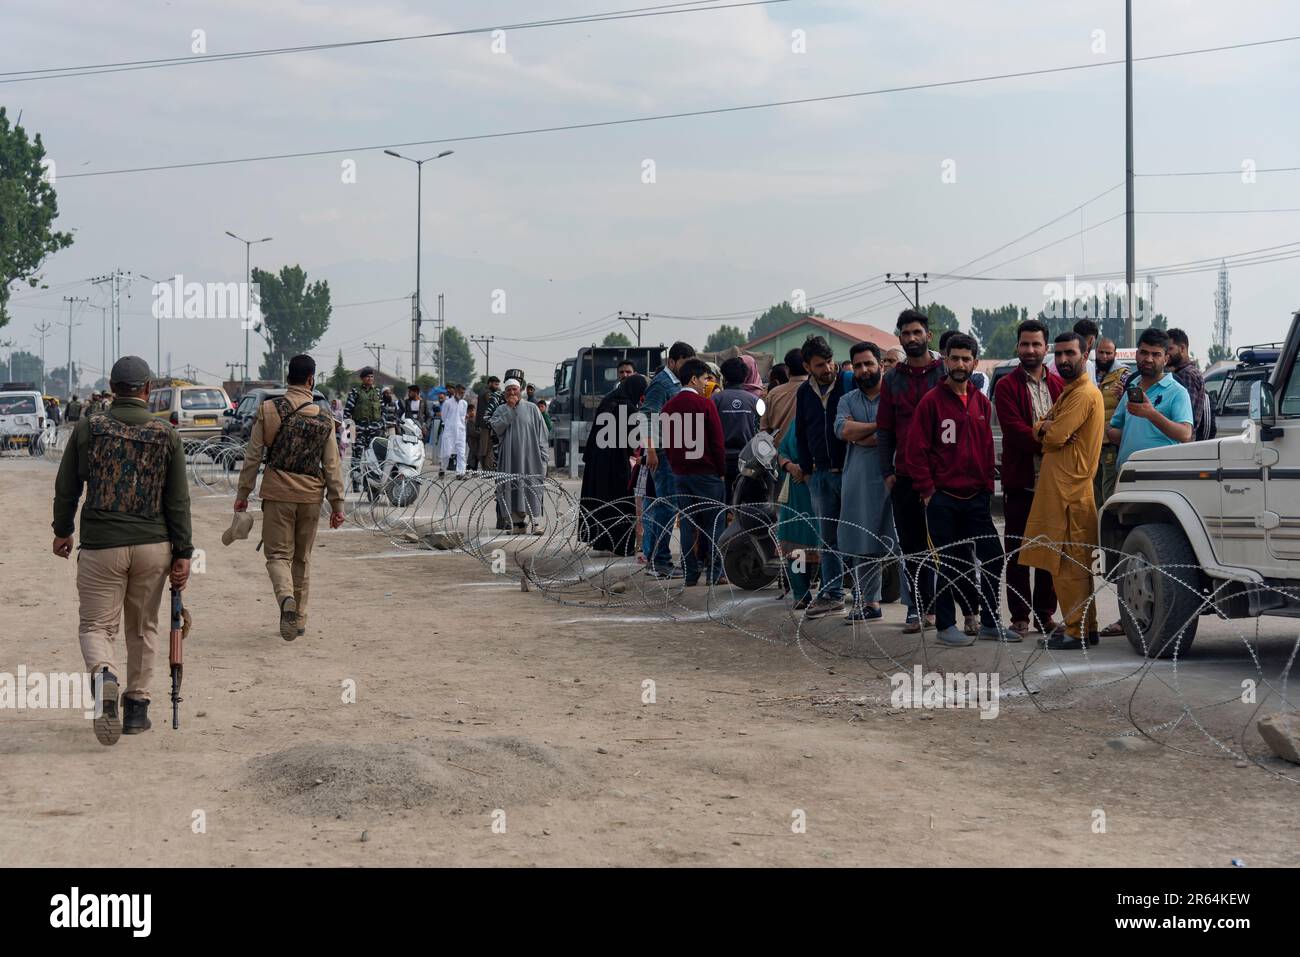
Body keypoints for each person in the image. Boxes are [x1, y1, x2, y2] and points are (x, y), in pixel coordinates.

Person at [51, 356, 193, 744]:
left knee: (97, 626)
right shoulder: (167, 433)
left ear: (112, 389)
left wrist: (62, 532)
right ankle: (136, 710)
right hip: (154, 546)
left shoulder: (88, 428)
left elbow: (67, 488)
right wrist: (184, 551)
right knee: (144, 627)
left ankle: (104, 675)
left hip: (101, 547)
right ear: (147, 390)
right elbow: (178, 500)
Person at [902, 333, 1015, 646]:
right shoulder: (932, 403)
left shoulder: (980, 402)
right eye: (955, 358)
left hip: (975, 499)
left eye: (967, 359)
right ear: (945, 361)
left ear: (975, 363)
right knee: (947, 563)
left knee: (992, 555)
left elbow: (986, 449)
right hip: (942, 499)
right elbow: (915, 452)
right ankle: (945, 626)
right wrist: (928, 492)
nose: (960, 364)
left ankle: (991, 621)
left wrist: (986, 488)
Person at [235, 355, 346, 641]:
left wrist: (243, 494)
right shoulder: (325, 418)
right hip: (311, 497)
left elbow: (253, 456)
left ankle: (285, 598)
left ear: (289, 378)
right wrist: (337, 505)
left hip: (277, 493)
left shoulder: (268, 409)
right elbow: (332, 465)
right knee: (302, 559)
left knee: (277, 555)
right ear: (311, 379)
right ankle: (299, 620)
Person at [1100, 328, 1194, 638]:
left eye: (1156, 354)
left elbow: (1184, 434)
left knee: (1159, 556)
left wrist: (1151, 414)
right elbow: (1115, 432)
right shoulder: (1131, 390)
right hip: (1129, 479)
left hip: (1162, 483)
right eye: (1144, 352)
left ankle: (1158, 621)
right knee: (1128, 553)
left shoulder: (1176, 392)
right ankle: (1126, 617)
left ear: (1167, 357)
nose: (1148, 359)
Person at [1020, 332, 1106, 650]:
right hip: (1065, 491)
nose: (1063, 360)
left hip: (1070, 493)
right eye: (1058, 355)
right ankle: (1086, 627)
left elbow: (1053, 436)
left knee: (1069, 567)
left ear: (1086, 355)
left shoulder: (1084, 394)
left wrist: (1046, 429)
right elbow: (1041, 425)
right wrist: (1045, 427)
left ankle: (1076, 630)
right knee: (1075, 567)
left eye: (1070, 353)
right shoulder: (1070, 392)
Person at [993, 318, 1064, 636]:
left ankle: (1045, 615)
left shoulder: (1060, 386)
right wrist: (1050, 434)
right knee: (1018, 552)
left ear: (1045, 348)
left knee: (1049, 551)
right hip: (1020, 481)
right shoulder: (1006, 386)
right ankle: (1020, 615)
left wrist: (1053, 433)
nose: (1030, 349)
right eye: (1025, 344)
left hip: (1051, 483)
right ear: (1017, 347)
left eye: (1036, 344)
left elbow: (1067, 430)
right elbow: (1016, 433)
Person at [877, 309, 944, 634]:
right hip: (904, 476)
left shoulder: (945, 371)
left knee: (947, 546)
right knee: (913, 548)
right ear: (900, 337)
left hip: (944, 475)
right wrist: (887, 472)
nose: (912, 338)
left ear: (928, 335)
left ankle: (952, 612)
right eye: (906, 334)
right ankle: (920, 609)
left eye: (917, 332)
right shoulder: (892, 379)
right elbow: (885, 429)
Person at [835, 341, 911, 622]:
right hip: (859, 480)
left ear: (880, 365)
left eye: (869, 363)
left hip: (894, 477)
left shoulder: (895, 397)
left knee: (903, 544)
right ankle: (870, 604)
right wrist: (881, 426)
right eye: (858, 365)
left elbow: (897, 433)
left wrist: (863, 433)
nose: (864, 369)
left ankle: (915, 608)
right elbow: (843, 430)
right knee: (862, 544)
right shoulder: (847, 400)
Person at [661, 358, 727, 586]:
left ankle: (690, 573)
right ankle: (714, 573)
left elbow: (667, 443)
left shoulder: (668, 407)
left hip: (681, 474)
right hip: (707, 473)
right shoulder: (705, 405)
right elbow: (717, 443)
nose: (706, 383)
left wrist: (675, 466)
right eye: (704, 379)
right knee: (714, 523)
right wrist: (721, 471)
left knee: (688, 524)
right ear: (693, 379)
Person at [794, 335, 847, 619]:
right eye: (819, 365)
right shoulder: (804, 393)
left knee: (855, 534)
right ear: (807, 366)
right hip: (820, 475)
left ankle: (864, 595)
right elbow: (802, 432)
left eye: (829, 362)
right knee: (828, 538)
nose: (827, 368)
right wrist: (806, 468)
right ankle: (833, 593)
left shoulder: (848, 382)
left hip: (848, 472)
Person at [642, 341, 696, 579]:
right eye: (684, 363)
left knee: (668, 505)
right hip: (663, 453)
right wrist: (651, 450)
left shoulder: (676, 383)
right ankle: (659, 560)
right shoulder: (662, 383)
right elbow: (647, 416)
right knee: (667, 505)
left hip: (674, 451)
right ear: (672, 361)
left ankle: (657, 559)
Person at [580, 374, 648, 555]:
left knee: (601, 501)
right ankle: (621, 545)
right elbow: (634, 442)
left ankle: (602, 541)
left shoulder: (607, 402)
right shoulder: (629, 408)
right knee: (621, 502)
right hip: (617, 462)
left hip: (597, 462)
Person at [490, 378, 551, 534]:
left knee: (532, 487)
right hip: (510, 459)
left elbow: (543, 435)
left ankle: (536, 522)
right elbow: (497, 428)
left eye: (514, 390)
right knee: (511, 488)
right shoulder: (500, 410)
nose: (512, 393)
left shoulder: (532, 409)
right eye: (509, 390)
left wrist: (544, 459)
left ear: (520, 391)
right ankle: (517, 524)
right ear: (504, 393)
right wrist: (510, 410)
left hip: (531, 458)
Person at [713, 357, 761, 496]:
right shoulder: (755, 401)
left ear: (724, 376)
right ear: (745, 376)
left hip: (721, 462)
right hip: (748, 461)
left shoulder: (715, 400)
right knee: (745, 505)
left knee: (722, 504)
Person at [1093, 337, 1130, 504]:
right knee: (1093, 492)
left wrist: (1123, 395)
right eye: (1101, 352)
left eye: (1109, 353)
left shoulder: (1123, 375)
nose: (1104, 356)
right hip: (1092, 443)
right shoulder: (1089, 372)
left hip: (1110, 444)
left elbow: (1130, 408)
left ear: (1115, 354)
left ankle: (1108, 527)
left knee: (1108, 491)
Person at [343, 368, 391, 489]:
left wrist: (383, 427)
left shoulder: (378, 392)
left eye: (371, 377)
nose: (370, 379)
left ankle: (369, 483)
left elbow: (383, 411)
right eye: (367, 377)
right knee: (357, 457)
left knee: (373, 458)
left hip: (375, 430)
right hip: (358, 430)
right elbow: (347, 412)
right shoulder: (355, 392)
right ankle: (355, 483)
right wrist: (349, 433)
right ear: (362, 379)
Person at [1167, 327, 1211, 441]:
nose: (1167, 353)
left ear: (1182, 348)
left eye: (1170, 349)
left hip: (1182, 440)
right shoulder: (1186, 372)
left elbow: (1187, 413)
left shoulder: (1186, 374)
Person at [760, 347, 808, 446]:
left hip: (778, 454)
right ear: (808, 366)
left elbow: (764, 430)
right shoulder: (816, 390)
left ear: (787, 369)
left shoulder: (773, 393)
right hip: (811, 455)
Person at [438, 384, 468, 477]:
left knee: (461, 453)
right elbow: (443, 417)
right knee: (446, 453)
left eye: (463, 393)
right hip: (449, 431)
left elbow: (463, 417)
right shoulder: (447, 403)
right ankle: (442, 468)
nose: (461, 394)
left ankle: (460, 473)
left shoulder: (464, 403)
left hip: (461, 431)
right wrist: (450, 425)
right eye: (460, 392)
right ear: (455, 392)